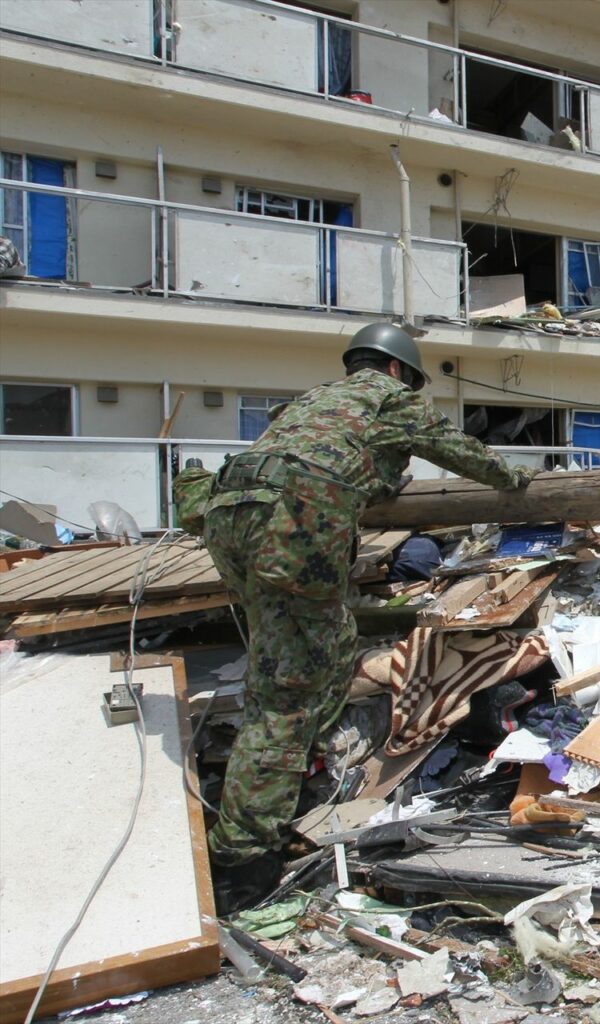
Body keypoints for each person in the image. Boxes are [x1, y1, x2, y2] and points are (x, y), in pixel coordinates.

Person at [202, 322, 534, 911]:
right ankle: (245, 855)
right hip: (292, 522)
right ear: (398, 369)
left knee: (295, 658)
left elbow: (335, 463)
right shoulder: (388, 397)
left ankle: (272, 792)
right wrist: (517, 479)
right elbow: (458, 451)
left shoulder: (312, 402)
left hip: (229, 515)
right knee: (291, 693)